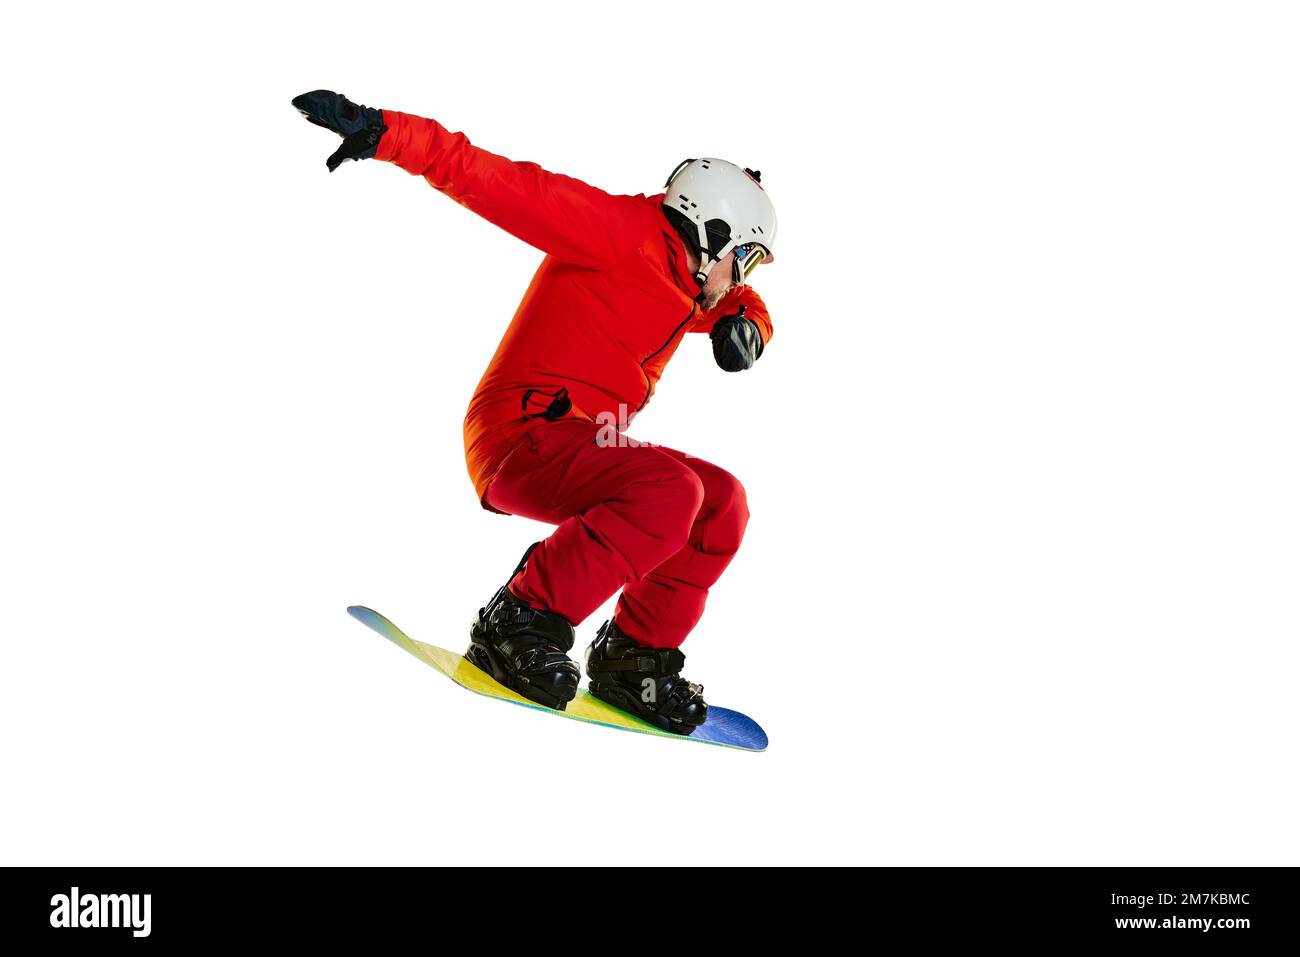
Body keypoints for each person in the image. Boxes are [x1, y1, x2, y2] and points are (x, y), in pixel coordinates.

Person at [292, 91, 777, 735]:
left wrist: (747, 322)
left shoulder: (689, 283)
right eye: (742, 258)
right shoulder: (614, 231)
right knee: (670, 491)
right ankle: (519, 622)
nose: (741, 277)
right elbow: (498, 181)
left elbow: (745, 305)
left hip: (585, 439)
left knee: (721, 501)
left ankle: (635, 660)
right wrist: (388, 134)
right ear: (711, 234)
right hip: (522, 434)